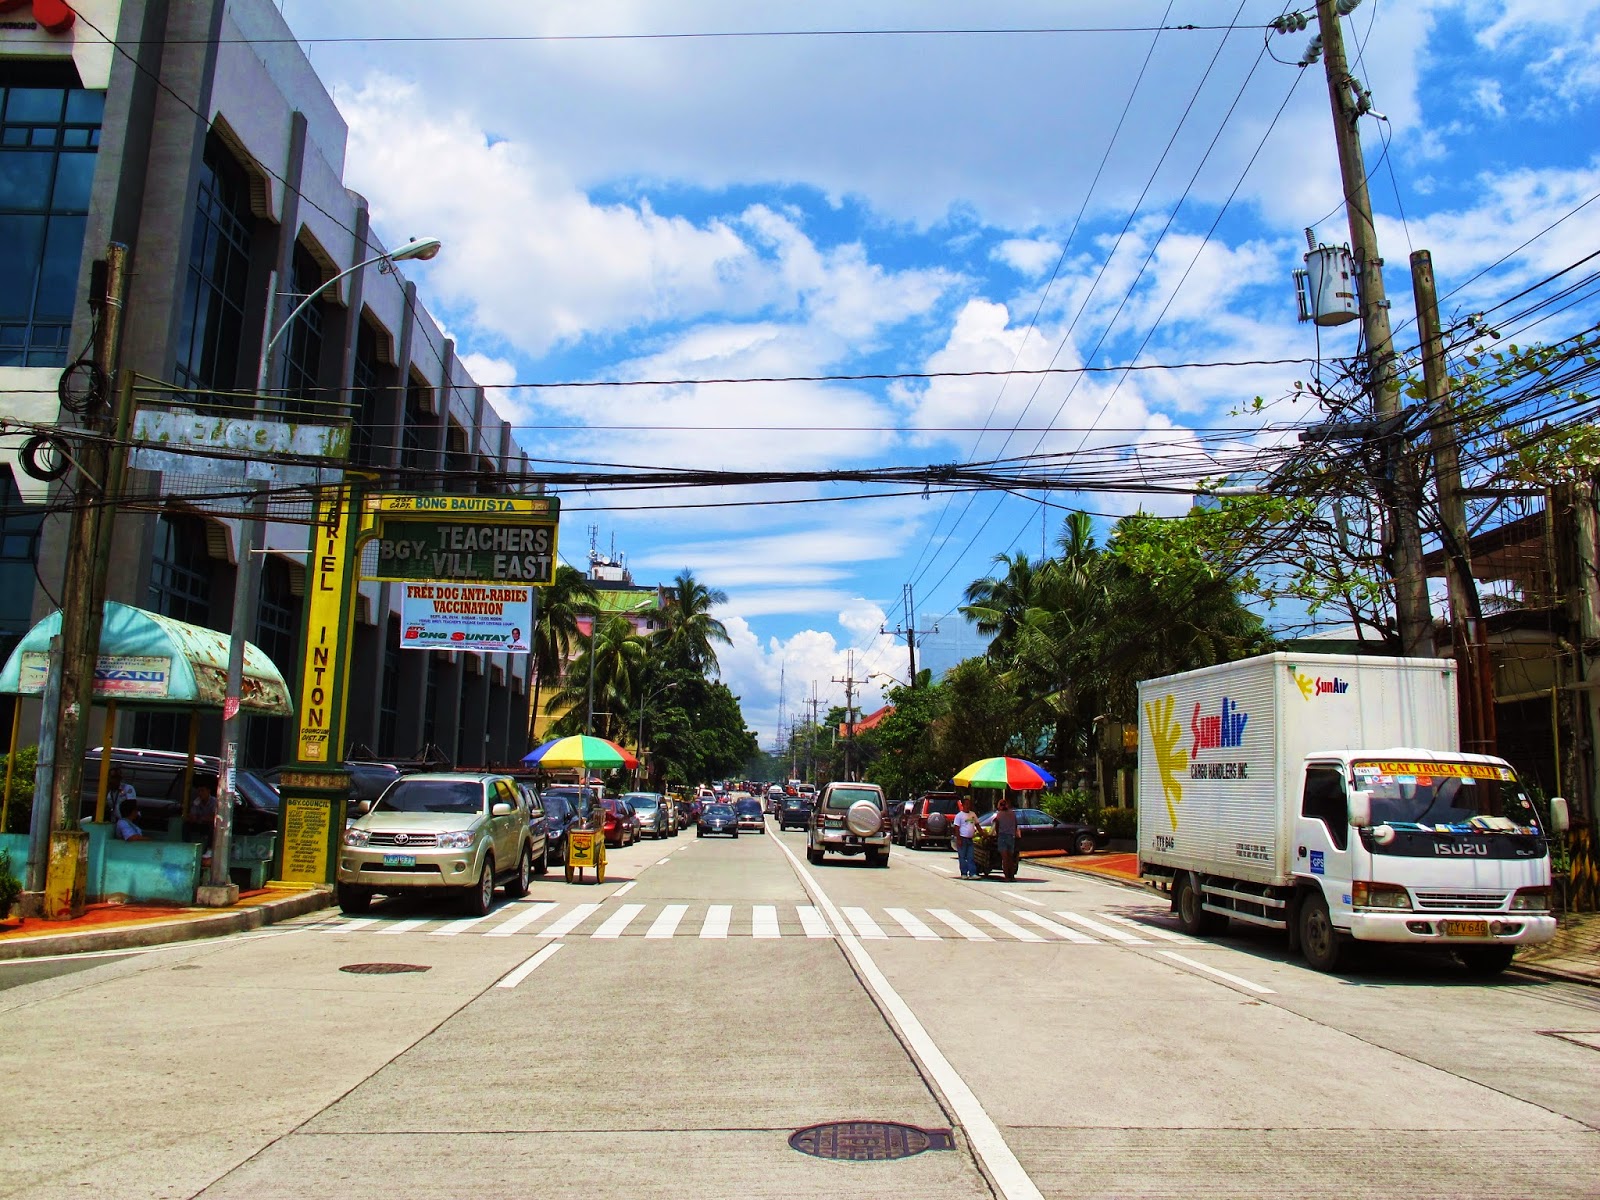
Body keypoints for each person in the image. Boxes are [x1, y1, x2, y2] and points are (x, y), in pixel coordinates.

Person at [994, 796, 1020, 881]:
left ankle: (1007, 877)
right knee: (1010, 858)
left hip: (1002, 837)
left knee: (1005, 858)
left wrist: (997, 834)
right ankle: (1012, 876)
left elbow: (997, 826)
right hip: (1011, 837)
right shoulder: (1012, 813)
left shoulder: (999, 814)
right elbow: (1015, 825)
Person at [952, 797, 978, 878]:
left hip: (970, 839)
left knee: (971, 857)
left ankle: (972, 873)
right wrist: (958, 839)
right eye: (966, 804)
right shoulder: (959, 816)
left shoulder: (973, 814)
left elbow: (977, 825)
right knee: (962, 857)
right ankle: (964, 873)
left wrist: (983, 834)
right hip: (962, 838)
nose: (968, 806)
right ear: (963, 805)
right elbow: (956, 828)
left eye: (969, 804)